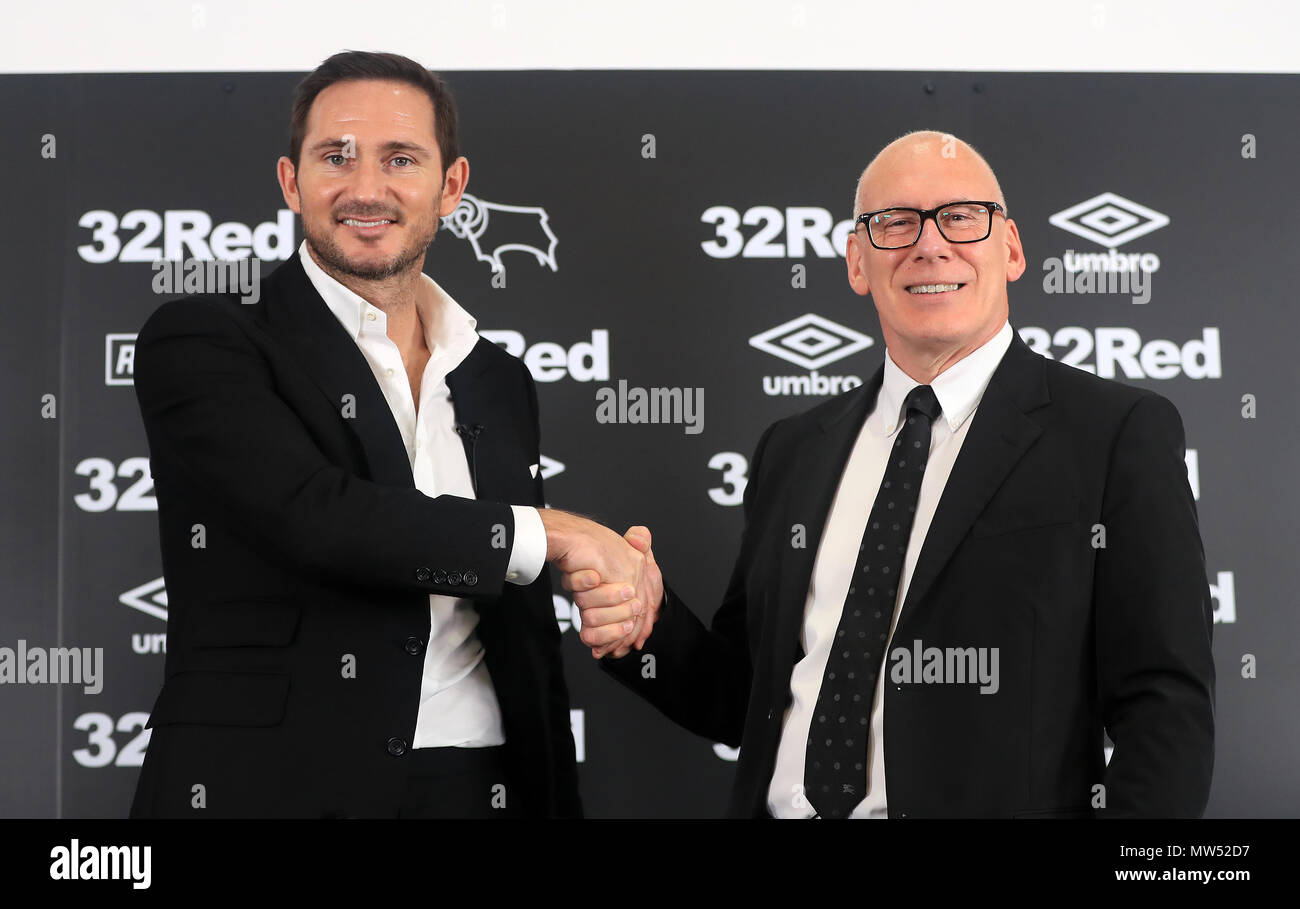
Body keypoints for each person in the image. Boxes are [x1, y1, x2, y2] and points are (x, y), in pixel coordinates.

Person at [572, 131, 1216, 818]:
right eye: (895, 222)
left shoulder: (1114, 432)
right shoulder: (792, 450)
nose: (930, 244)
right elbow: (747, 697)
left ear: (1014, 248)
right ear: (857, 260)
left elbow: (1166, 708)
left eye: (962, 215)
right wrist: (649, 626)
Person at [129, 51, 650, 819]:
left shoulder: (496, 376)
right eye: (335, 156)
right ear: (290, 181)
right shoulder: (205, 338)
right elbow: (317, 516)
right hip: (269, 790)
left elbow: (517, 622)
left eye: (399, 158)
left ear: (450, 188)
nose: (365, 188)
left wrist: (622, 588)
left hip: (487, 785)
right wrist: (551, 534)